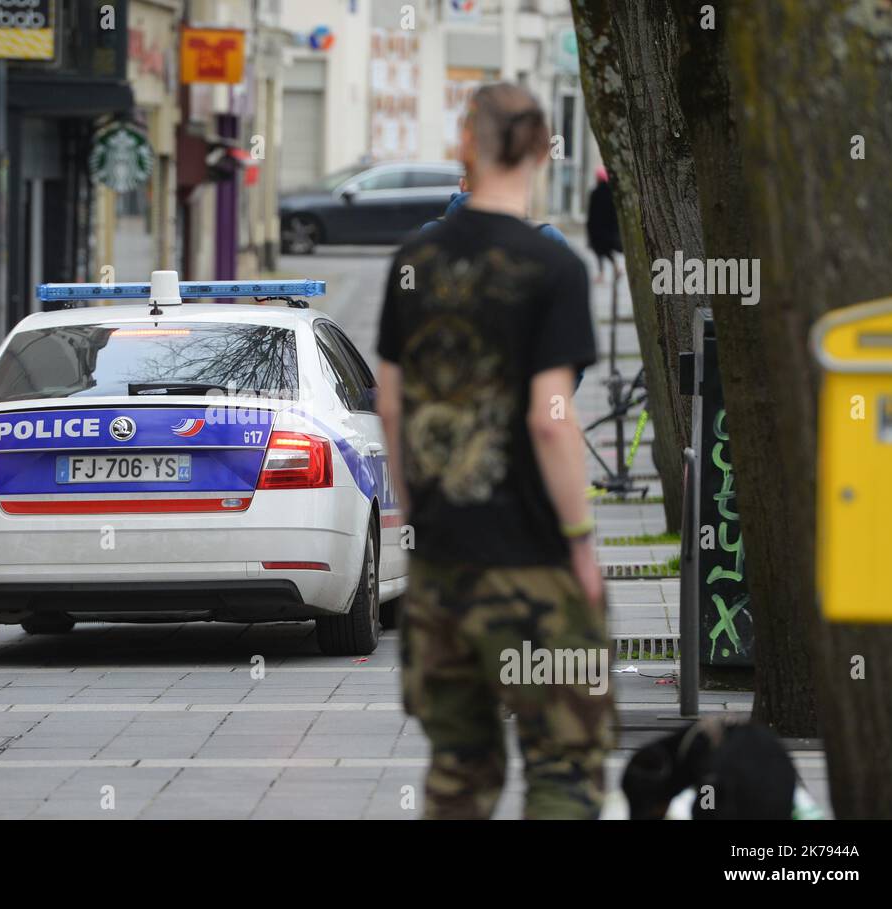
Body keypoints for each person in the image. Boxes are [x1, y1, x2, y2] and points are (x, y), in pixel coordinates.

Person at [375, 83, 614, 819]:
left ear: (463, 147)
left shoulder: (413, 260)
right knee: (563, 769)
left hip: (444, 566)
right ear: (545, 151)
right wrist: (579, 542)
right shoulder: (554, 268)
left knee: (457, 770)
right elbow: (552, 419)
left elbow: (389, 400)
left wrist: (422, 506)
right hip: (533, 565)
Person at [586, 165, 623, 284]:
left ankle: (603, 274)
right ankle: (614, 269)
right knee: (606, 252)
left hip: (598, 230)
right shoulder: (612, 193)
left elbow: (591, 214)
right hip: (610, 230)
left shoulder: (595, 193)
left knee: (600, 252)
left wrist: (590, 228)